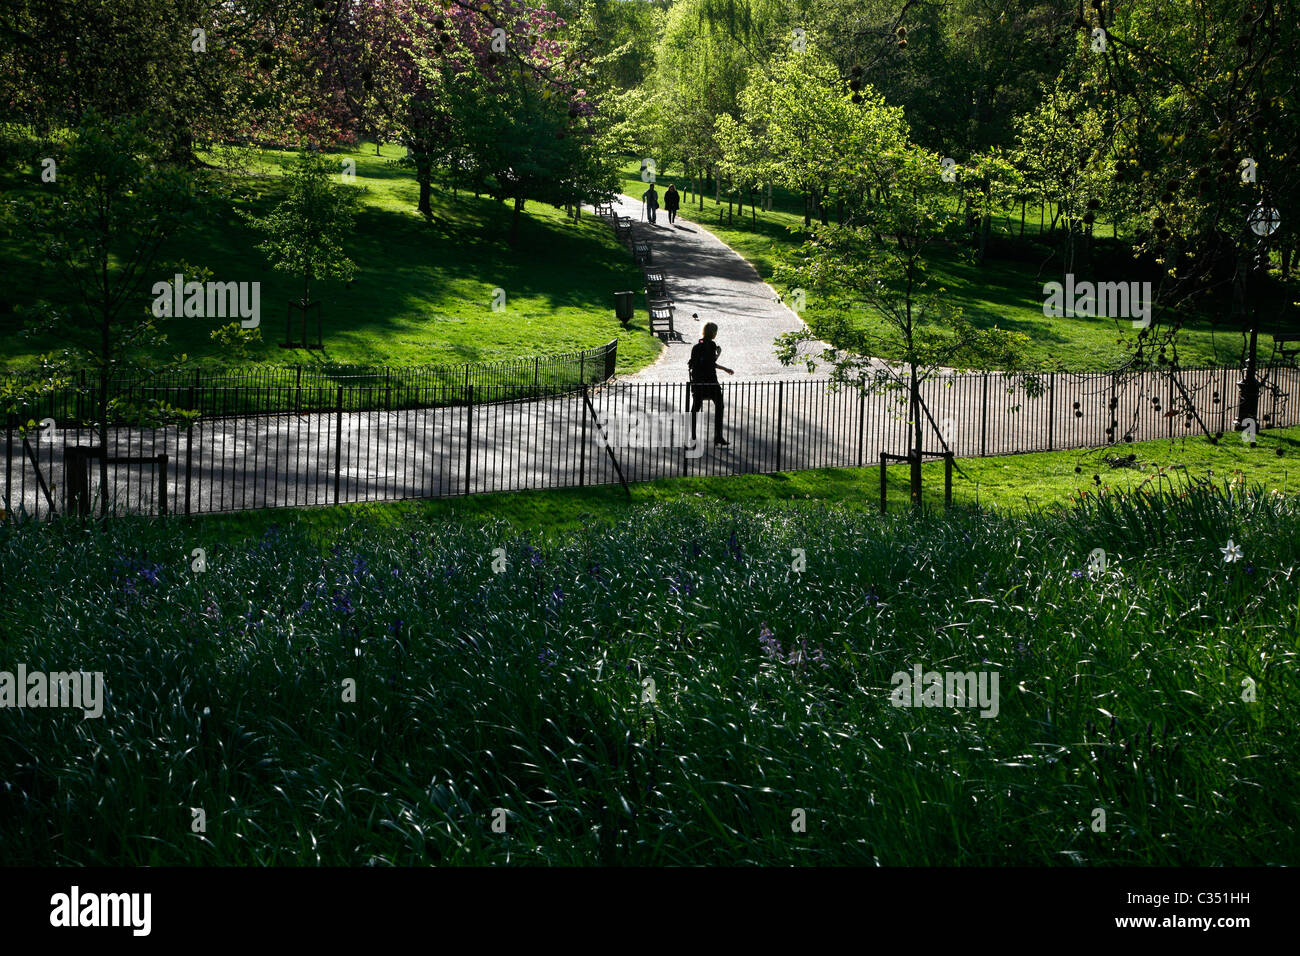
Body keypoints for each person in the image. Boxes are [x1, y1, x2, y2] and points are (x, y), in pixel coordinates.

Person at [688, 321, 734, 446]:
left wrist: (724, 368)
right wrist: (719, 353)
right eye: (715, 332)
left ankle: (692, 437)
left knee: (695, 408)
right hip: (711, 381)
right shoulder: (712, 345)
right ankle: (718, 436)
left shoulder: (697, 346)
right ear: (712, 332)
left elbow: (694, 363)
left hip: (698, 382)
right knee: (719, 406)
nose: (716, 334)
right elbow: (711, 363)